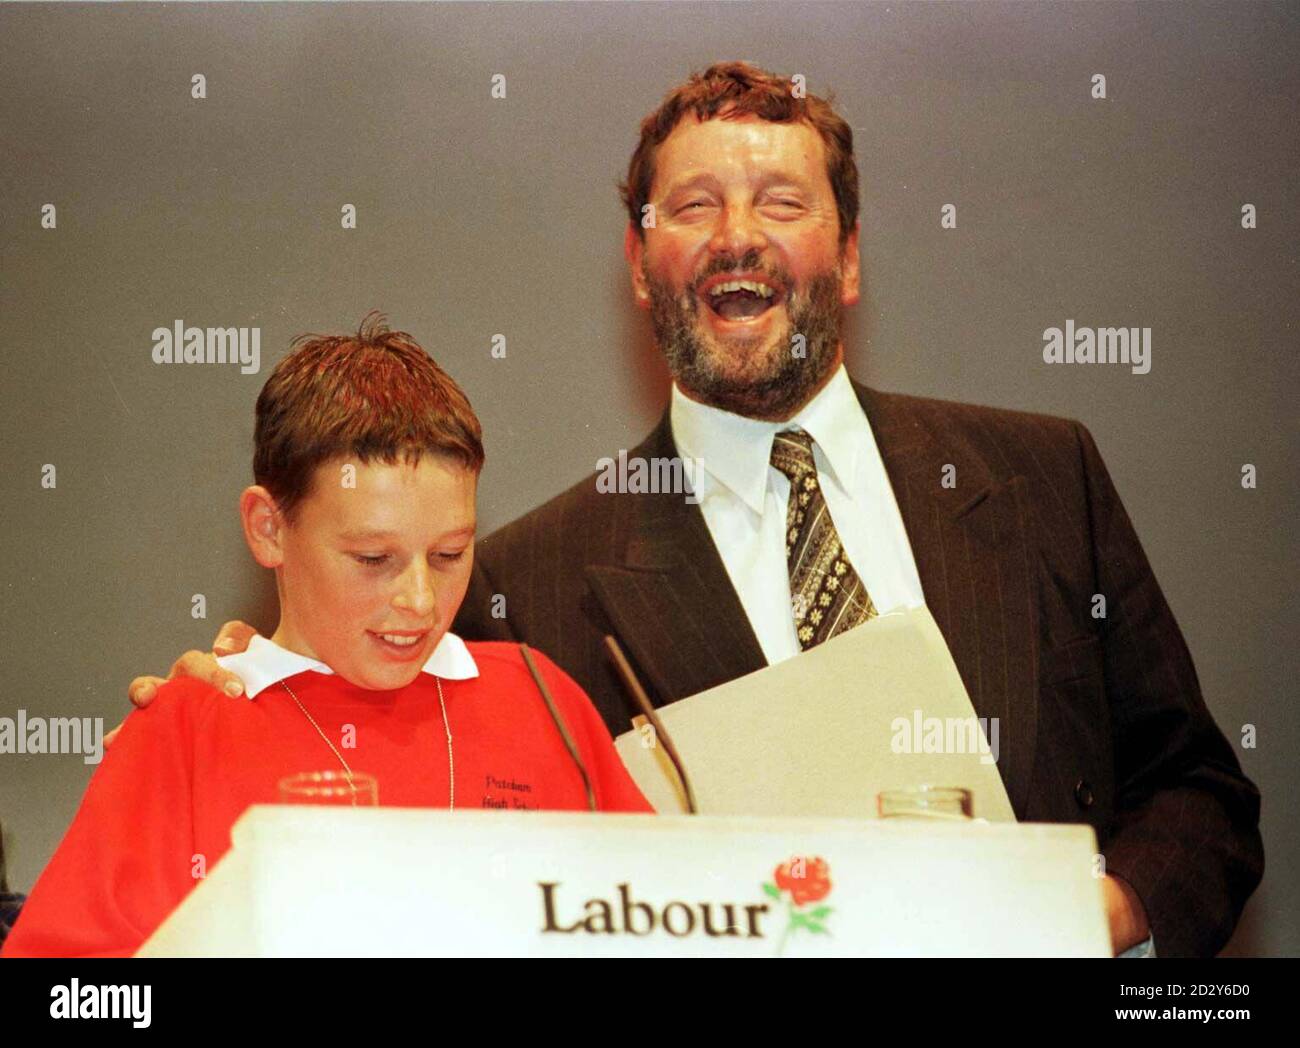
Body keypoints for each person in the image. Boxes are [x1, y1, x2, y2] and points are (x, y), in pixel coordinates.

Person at [125, 62, 1261, 958]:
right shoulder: (522, 581)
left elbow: (1199, 792)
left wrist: (1091, 916)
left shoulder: (1041, 477)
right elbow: (431, 841)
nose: (735, 235)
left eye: (781, 201)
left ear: (850, 254)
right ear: (638, 263)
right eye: (692, 206)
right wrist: (257, 691)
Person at [3, 316, 651, 958]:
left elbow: (675, 922)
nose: (421, 601)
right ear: (268, 528)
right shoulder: (182, 731)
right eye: (374, 560)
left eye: (451, 554)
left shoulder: (541, 698)